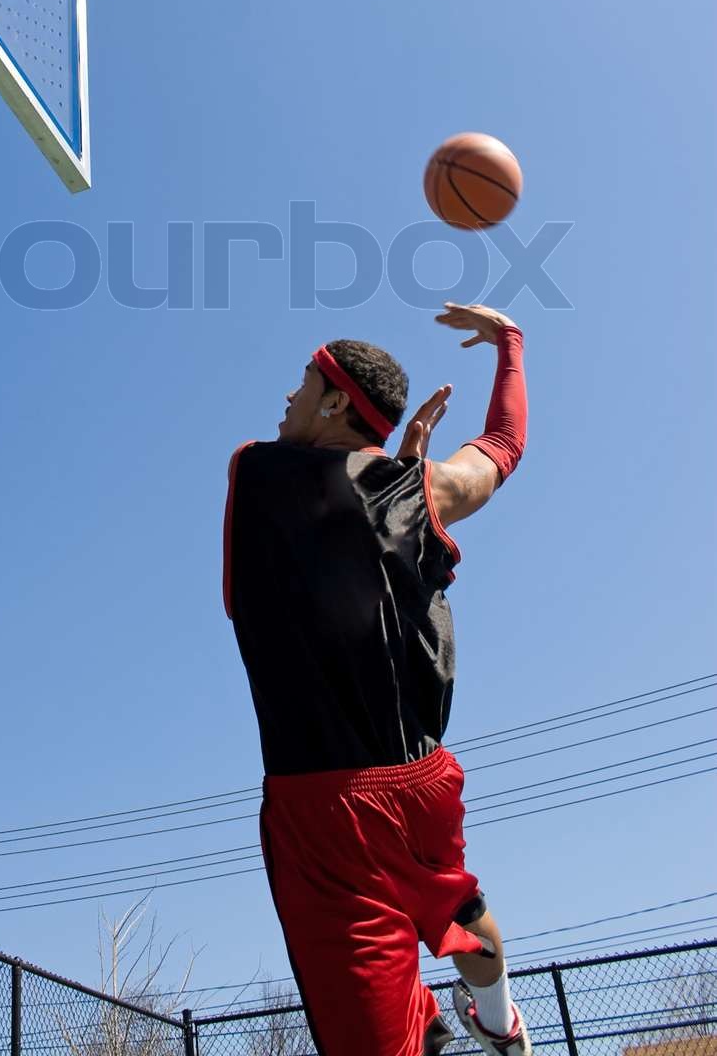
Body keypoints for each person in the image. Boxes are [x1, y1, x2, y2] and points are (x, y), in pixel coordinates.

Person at [222, 302, 531, 1056]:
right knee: (458, 912)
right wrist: (509, 348)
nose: (286, 398)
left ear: (332, 401)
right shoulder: (416, 494)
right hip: (419, 780)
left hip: (322, 808)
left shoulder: (256, 472)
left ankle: (449, 1023)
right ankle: (497, 1019)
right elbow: (501, 447)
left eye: (301, 384)